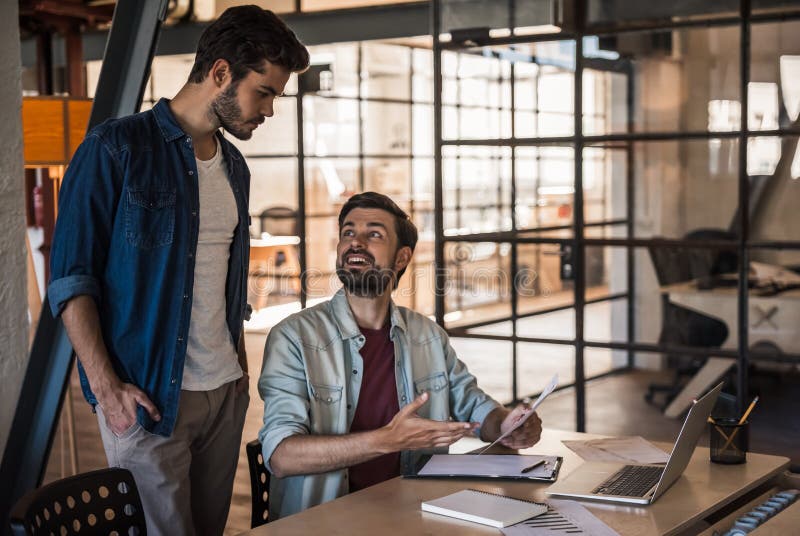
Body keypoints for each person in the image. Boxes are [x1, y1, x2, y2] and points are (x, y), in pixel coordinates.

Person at [47, 6, 309, 535]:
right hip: (147, 397)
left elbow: (221, 278)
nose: (270, 111)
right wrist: (107, 388)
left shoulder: (235, 167)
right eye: (265, 93)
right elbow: (72, 280)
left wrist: (236, 365)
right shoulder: (114, 148)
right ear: (219, 73)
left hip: (224, 393)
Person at [258, 192, 543, 519]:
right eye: (348, 233)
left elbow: (474, 407)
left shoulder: (428, 336)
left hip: (415, 515)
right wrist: (385, 440)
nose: (356, 243)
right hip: (324, 522)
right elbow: (281, 456)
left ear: (401, 257)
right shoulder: (294, 338)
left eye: (374, 234)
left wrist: (507, 424)